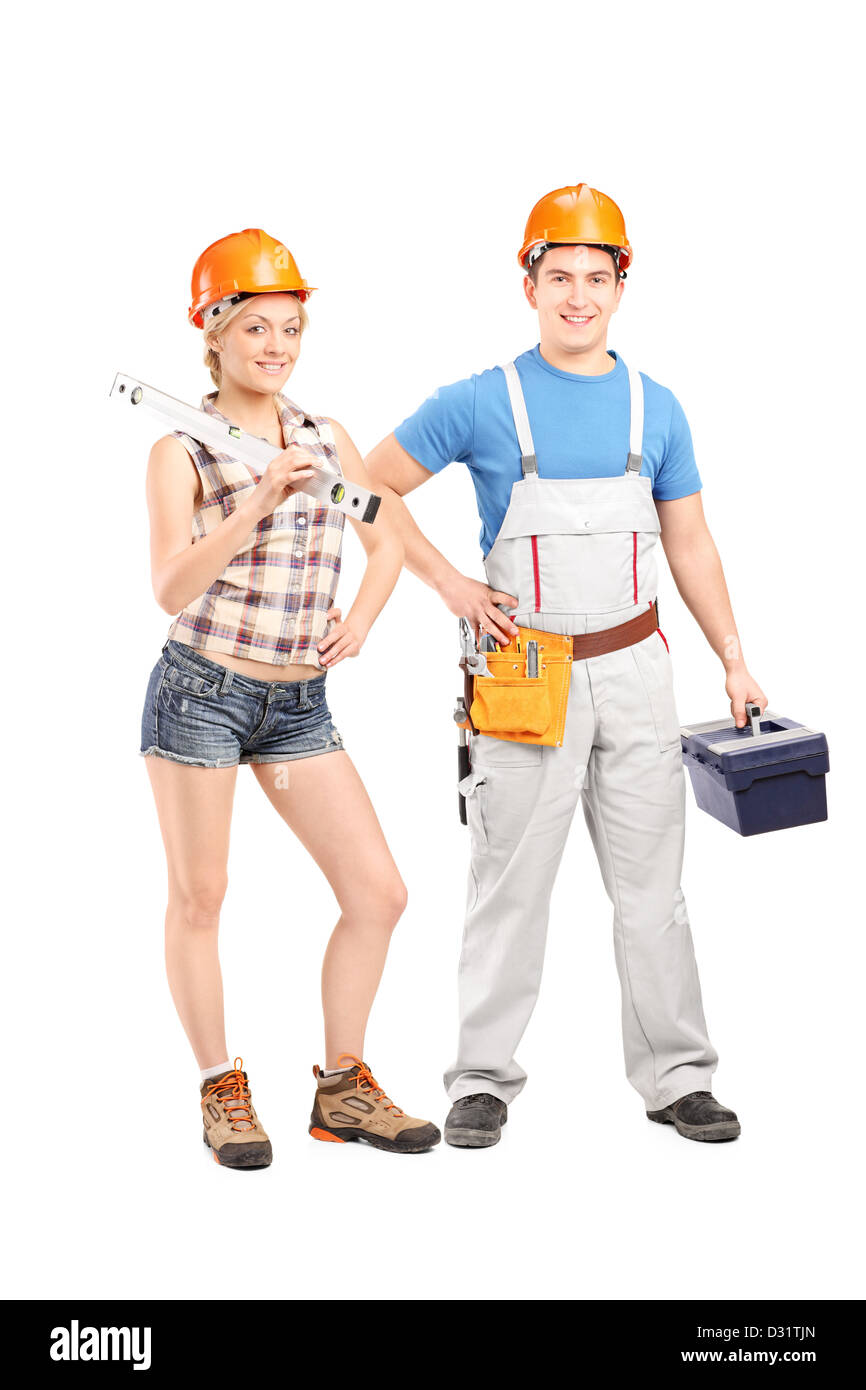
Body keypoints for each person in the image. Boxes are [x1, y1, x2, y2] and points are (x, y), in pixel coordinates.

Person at [365, 184, 765, 1147]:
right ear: (529, 283)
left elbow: (692, 543)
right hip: (522, 674)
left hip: (637, 668)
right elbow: (368, 483)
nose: (577, 296)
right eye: (560, 277)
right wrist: (451, 585)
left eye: (596, 277)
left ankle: (677, 1076)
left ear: (622, 286)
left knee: (653, 891)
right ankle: (482, 1080)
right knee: (508, 883)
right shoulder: (478, 401)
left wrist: (735, 659)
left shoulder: (655, 406)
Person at [139, 228, 440, 1166]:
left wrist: (362, 617)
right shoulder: (182, 450)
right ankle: (219, 1087)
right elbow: (170, 587)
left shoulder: (325, 438)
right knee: (202, 895)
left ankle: (342, 1088)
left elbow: (387, 536)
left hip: (298, 703)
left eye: (292, 329)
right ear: (215, 333)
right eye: (257, 327)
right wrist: (259, 503)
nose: (276, 347)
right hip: (202, 691)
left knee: (379, 894)